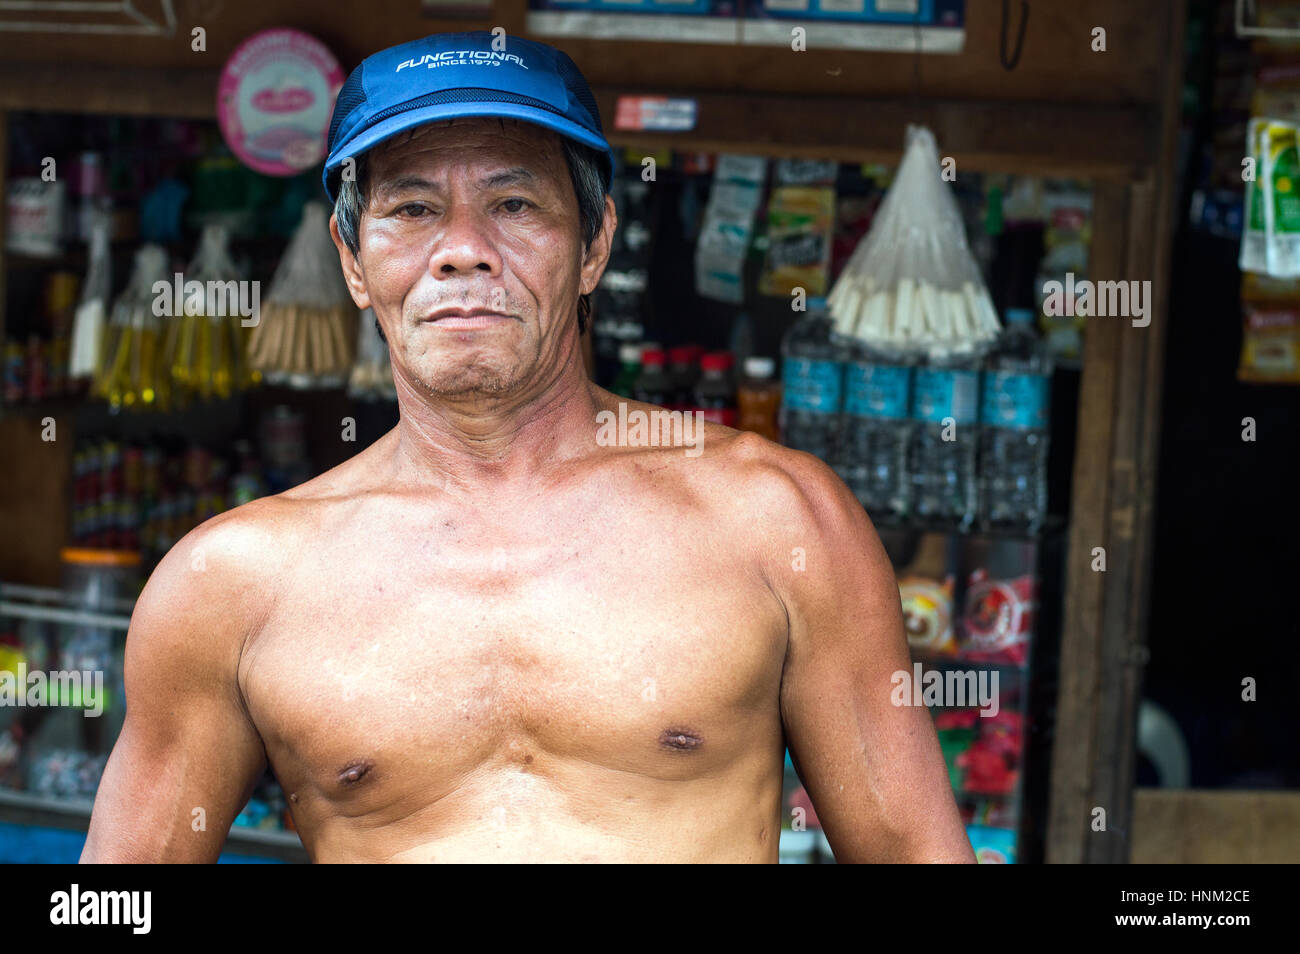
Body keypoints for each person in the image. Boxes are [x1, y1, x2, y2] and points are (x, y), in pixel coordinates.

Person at [82, 31, 973, 863]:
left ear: (594, 248)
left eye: (514, 203)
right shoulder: (230, 583)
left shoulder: (777, 520)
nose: (463, 250)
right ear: (353, 261)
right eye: (412, 208)